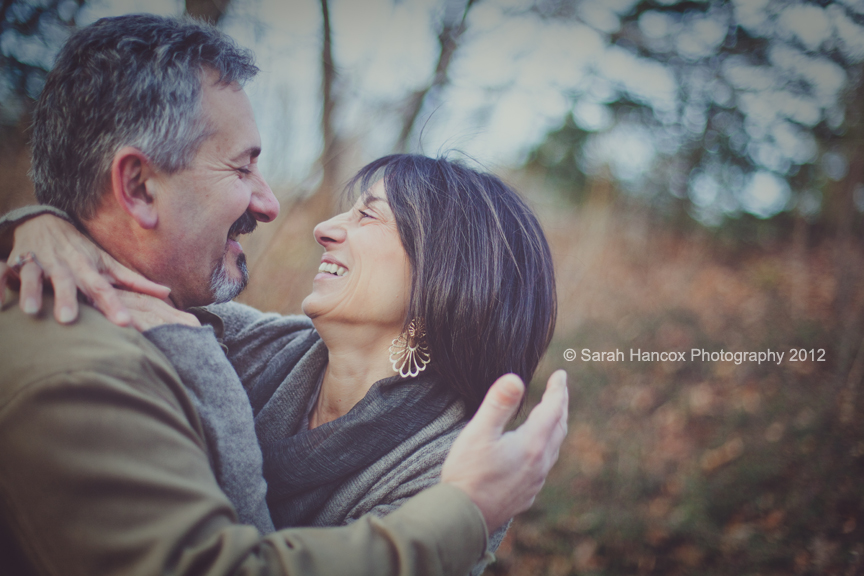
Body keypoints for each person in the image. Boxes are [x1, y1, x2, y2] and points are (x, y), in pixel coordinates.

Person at [0, 14, 569, 576]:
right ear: (138, 185)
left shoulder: (449, 472)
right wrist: (37, 223)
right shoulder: (244, 343)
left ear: (445, 275)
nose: (324, 227)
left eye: (368, 215)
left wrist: (465, 511)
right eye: (242, 167)